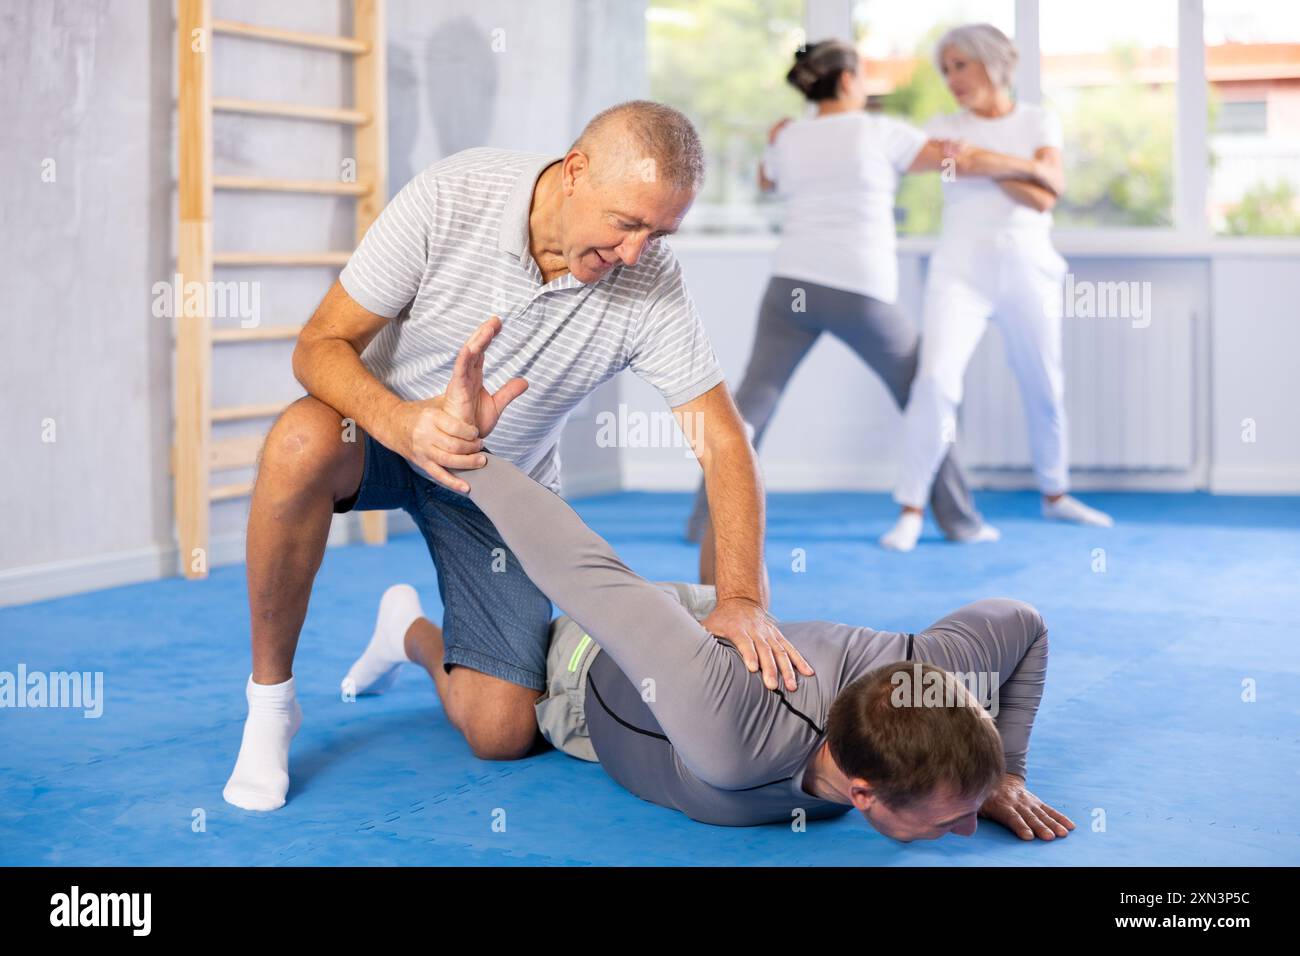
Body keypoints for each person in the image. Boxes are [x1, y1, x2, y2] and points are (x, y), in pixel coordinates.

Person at [223, 101, 814, 813]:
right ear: (574, 172)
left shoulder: (651, 280)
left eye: (658, 233)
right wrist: (405, 424)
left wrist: (742, 600)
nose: (635, 253)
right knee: (300, 440)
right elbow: (317, 345)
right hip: (383, 433)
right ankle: (271, 705)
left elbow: (723, 440)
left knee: (501, 731)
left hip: (493, 486)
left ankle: (406, 632)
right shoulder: (455, 194)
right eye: (626, 223)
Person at [346, 318, 1076, 841]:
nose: (962, 830)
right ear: (863, 794)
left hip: (717, 633)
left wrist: (1005, 771)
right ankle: (407, 631)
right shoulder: (734, 738)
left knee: (724, 617)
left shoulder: (927, 674)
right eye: (951, 818)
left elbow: (1024, 624)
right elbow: (585, 573)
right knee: (497, 732)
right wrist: (466, 451)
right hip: (594, 667)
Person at [684, 39, 1066, 576]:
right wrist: (1032, 165)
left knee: (750, 408)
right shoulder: (879, 131)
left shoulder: (789, 135)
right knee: (924, 393)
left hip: (789, 285)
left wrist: (779, 143)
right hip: (856, 290)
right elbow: (962, 158)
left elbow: (766, 180)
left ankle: (703, 521)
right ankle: (959, 520)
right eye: (862, 75)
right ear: (846, 81)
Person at [884, 24, 1114, 553]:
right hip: (959, 268)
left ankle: (1055, 495)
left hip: (1028, 266)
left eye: (961, 65)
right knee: (937, 381)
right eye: (946, 69)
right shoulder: (942, 124)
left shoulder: (1038, 118)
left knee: (1043, 383)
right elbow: (963, 166)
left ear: (992, 63)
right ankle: (912, 508)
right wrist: (1026, 165)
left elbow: (1045, 197)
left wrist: (982, 161)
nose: (952, 79)